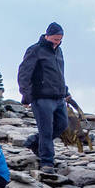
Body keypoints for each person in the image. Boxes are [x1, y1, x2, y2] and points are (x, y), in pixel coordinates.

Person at [17, 22, 71, 173]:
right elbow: (24, 73)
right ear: (47, 36)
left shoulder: (59, 51)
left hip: (58, 97)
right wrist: (26, 96)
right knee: (46, 130)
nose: (57, 42)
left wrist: (65, 91)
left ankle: (34, 141)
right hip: (41, 97)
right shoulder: (35, 50)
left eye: (60, 39)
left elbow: (59, 74)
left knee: (62, 125)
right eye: (55, 39)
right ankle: (47, 162)